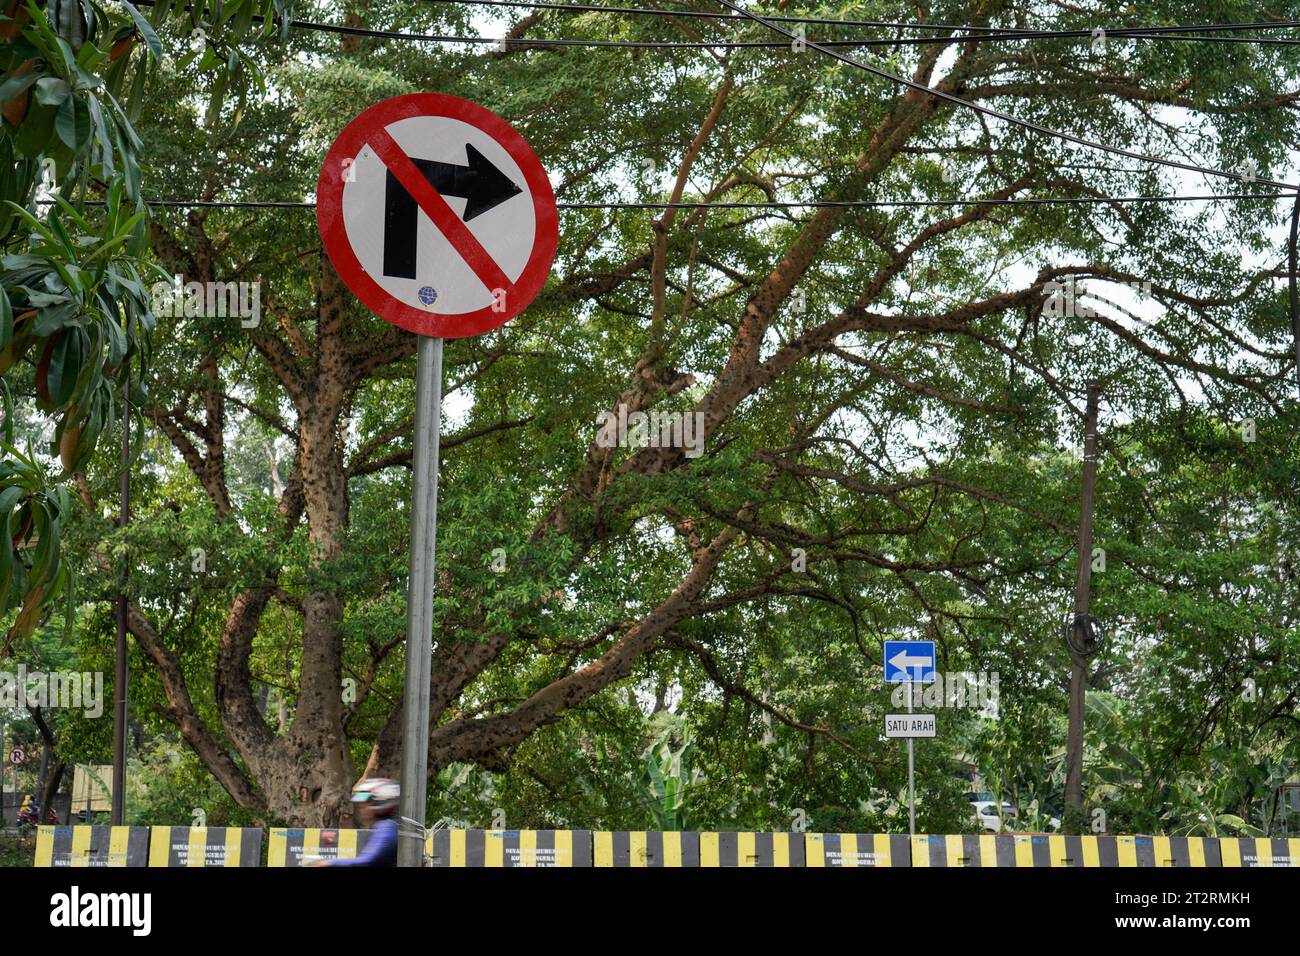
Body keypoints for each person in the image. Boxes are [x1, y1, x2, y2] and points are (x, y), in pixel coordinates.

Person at [313, 778, 400, 867]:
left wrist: (329, 863)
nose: (362, 810)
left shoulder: (387, 828)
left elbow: (367, 861)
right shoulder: (385, 826)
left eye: (366, 804)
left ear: (381, 803)